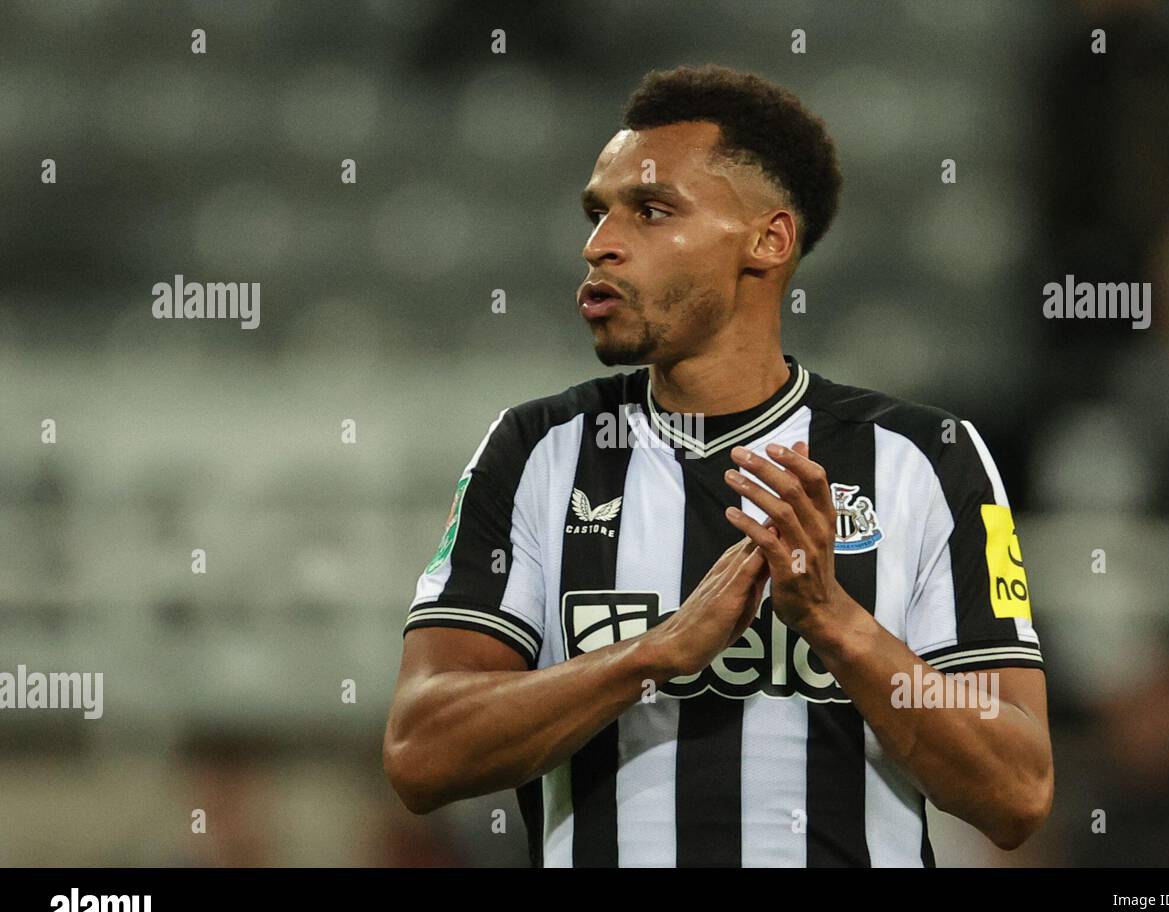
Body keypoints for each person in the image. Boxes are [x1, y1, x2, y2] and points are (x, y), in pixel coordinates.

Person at [383, 65, 1053, 867]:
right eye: (598, 214)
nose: (599, 245)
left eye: (651, 211)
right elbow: (421, 750)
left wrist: (833, 622)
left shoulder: (923, 459)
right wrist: (652, 655)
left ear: (768, 241)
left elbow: (1017, 791)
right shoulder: (537, 450)